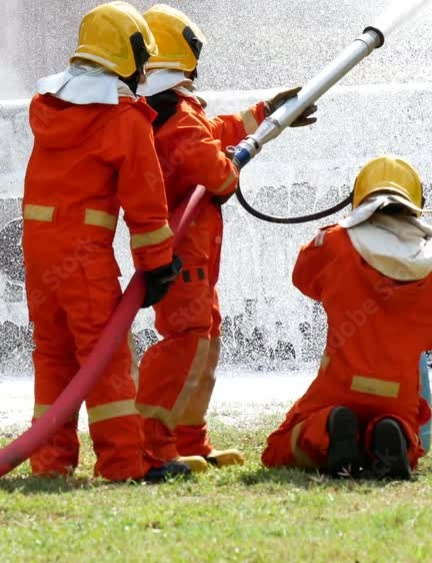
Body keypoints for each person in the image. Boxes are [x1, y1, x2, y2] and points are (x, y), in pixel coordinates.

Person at [133, 4, 318, 470]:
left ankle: (190, 441)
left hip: (195, 252)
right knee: (185, 341)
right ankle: (152, 446)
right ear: (185, 54)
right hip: (181, 253)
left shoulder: (171, 108)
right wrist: (233, 163)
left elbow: (216, 132)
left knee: (205, 341)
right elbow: (216, 173)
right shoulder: (171, 114)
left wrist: (264, 114)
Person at [22, 2, 189, 482]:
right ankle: (124, 465)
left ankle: (50, 463)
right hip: (83, 259)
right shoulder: (124, 118)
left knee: (53, 355)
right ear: (132, 56)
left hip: (38, 255)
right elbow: (145, 198)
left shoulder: (47, 106)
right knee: (105, 358)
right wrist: (158, 264)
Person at [261, 156, 432, 479]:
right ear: (416, 203)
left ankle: (331, 426)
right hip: (399, 394)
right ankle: (388, 428)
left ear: (359, 199)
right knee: (408, 440)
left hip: (338, 386)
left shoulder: (337, 241)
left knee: (281, 447)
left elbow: (301, 276)